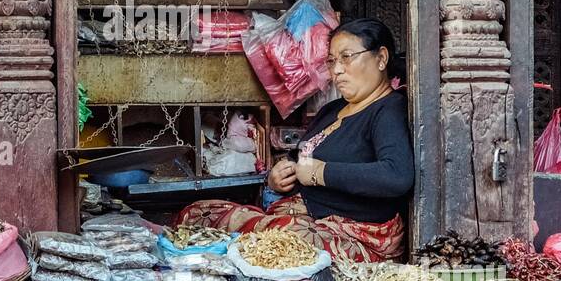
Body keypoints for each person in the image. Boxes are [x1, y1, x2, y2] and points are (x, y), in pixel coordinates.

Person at [176, 18, 413, 263]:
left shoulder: (388, 109)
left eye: (347, 57)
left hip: (350, 232)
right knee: (198, 213)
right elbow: (299, 157)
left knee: (281, 241)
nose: (337, 69)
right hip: (299, 213)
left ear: (381, 58)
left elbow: (397, 176)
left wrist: (321, 173)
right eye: (332, 61)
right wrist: (277, 177)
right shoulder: (332, 110)